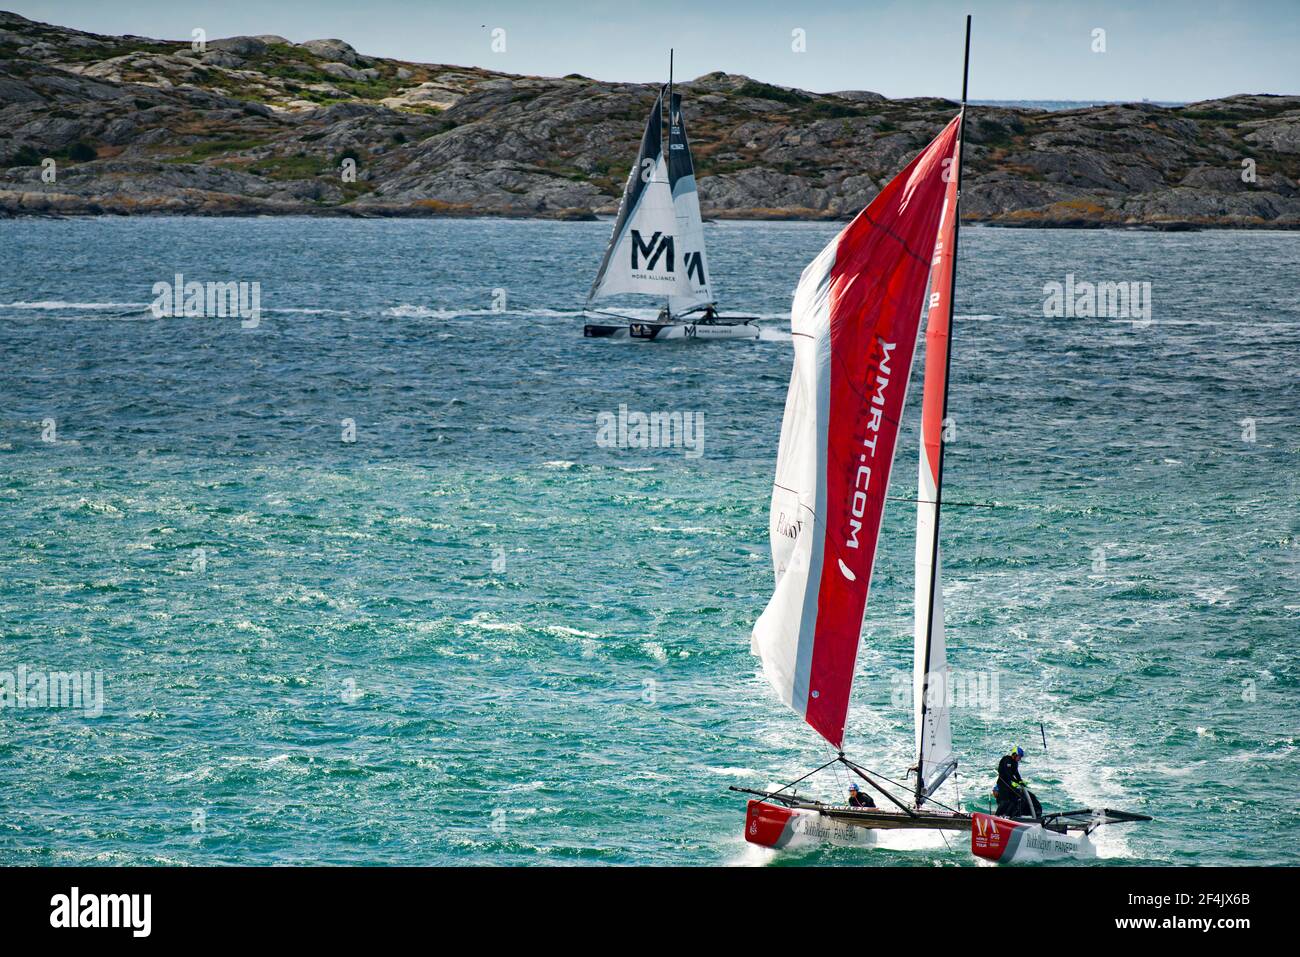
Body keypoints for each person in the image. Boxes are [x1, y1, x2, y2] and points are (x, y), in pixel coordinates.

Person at [994, 746, 1033, 818]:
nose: (1020, 758)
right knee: (1005, 801)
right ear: (1015, 754)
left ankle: (1009, 816)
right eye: (1019, 756)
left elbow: (1016, 774)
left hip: (1009, 784)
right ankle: (996, 816)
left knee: (1017, 799)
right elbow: (1007, 773)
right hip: (1003, 784)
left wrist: (1020, 781)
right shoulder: (1007, 759)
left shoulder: (1015, 763)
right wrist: (1016, 782)